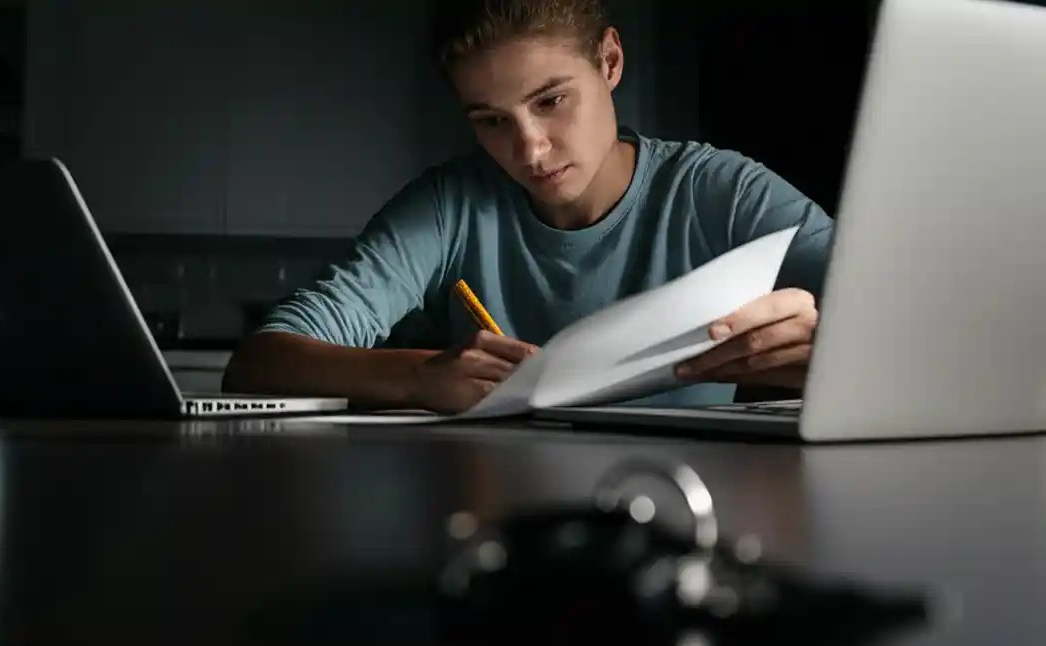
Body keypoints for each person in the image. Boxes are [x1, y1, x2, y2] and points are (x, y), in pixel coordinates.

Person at [223, 0, 831, 414]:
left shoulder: (719, 191)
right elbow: (260, 362)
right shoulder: (448, 207)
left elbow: (902, 322)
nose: (530, 150)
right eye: (491, 121)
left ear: (610, 61)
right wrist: (421, 376)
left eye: (551, 100)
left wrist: (823, 348)